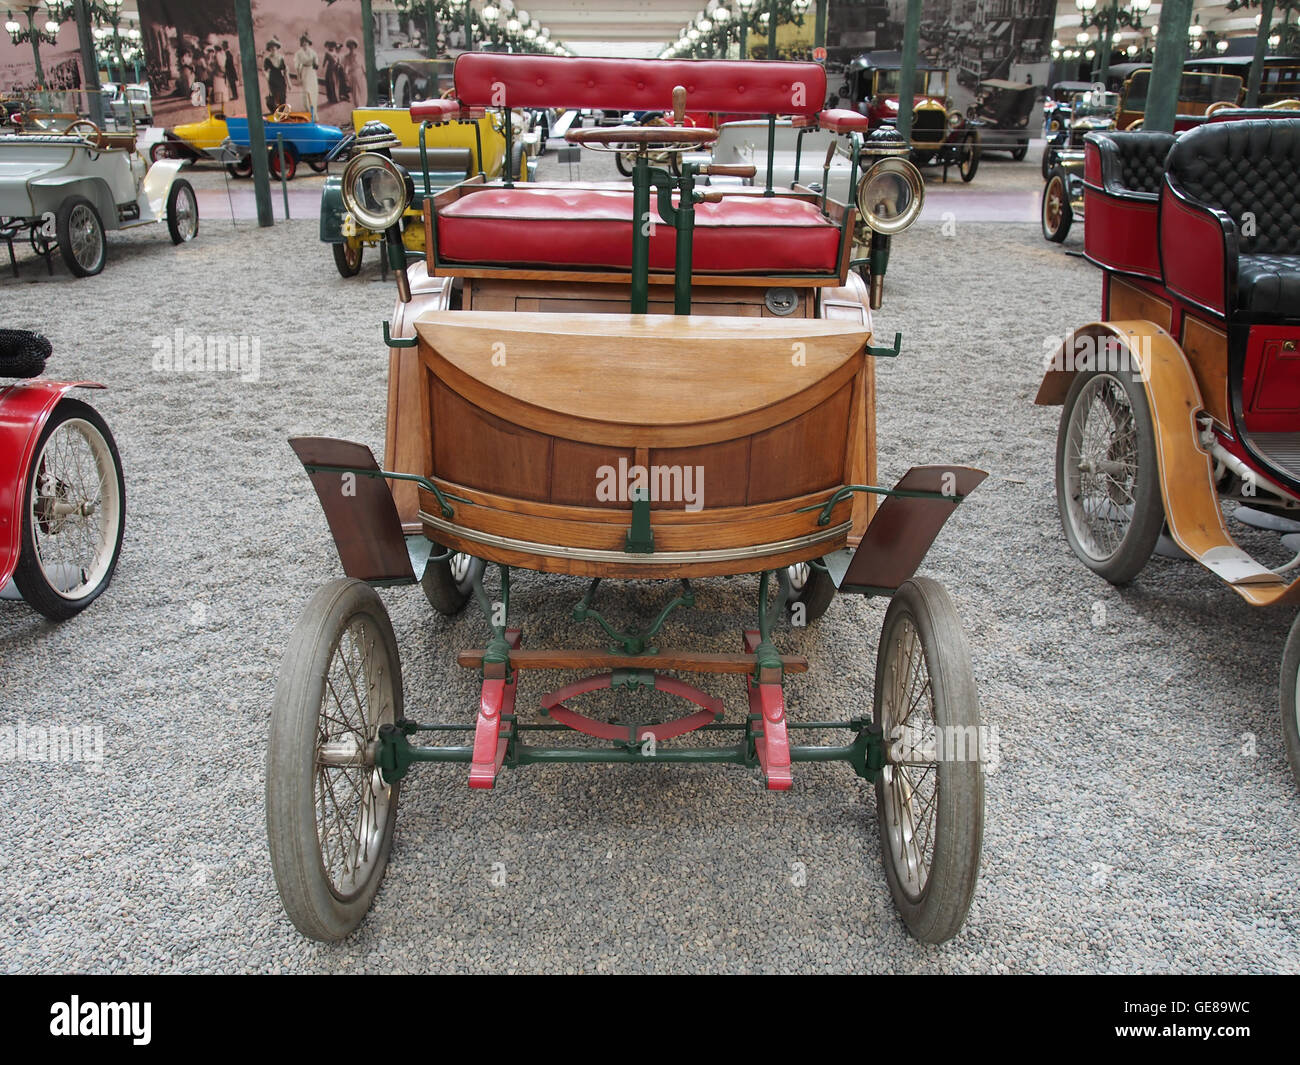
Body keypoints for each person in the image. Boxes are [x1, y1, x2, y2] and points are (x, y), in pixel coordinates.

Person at [294, 33, 319, 120]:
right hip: (304, 72)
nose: (305, 44)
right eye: (303, 42)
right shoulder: (298, 53)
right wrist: (298, 76)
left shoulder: (313, 52)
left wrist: (315, 63)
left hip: (312, 72)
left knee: (313, 93)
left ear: (309, 43)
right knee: (306, 92)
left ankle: (314, 114)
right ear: (301, 43)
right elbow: (297, 65)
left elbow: (316, 65)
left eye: (306, 42)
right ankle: (308, 112)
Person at [263, 37, 288, 111]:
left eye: (274, 47)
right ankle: (276, 115)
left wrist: (289, 83)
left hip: (281, 80)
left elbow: (285, 70)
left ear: (277, 48)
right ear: (269, 49)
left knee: (283, 98)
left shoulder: (281, 58)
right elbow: (265, 70)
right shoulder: (267, 59)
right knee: (275, 99)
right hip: (272, 80)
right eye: (271, 48)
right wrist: (266, 76)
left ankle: (282, 114)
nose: (273, 49)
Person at [342, 38, 364, 106]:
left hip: (360, 74)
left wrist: (364, 74)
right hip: (352, 75)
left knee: (362, 90)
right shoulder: (346, 57)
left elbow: (363, 66)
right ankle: (358, 106)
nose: (351, 47)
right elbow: (345, 68)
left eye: (353, 46)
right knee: (355, 92)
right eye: (350, 46)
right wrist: (346, 77)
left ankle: (363, 105)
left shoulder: (359, 55)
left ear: (355, 46)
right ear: (348, 47)